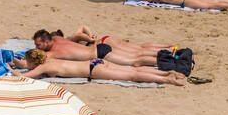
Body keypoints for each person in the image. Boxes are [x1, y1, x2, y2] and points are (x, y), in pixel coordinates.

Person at [21, 48, 188, 86]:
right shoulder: (50, 58)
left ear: (33, 62)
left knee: (132, 76)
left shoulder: (42, 67)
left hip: (94, 71)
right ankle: (167, 71)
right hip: (96, 62)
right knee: (133, 70)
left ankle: (167, 80)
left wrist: (10, 71)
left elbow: (27, 75)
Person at [32, 27, 173, 68]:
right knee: (138, 52)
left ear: (46, 42)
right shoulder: (58, 38)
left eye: (38, 45)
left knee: (135, 61)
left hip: (100, 54)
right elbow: (80, 30)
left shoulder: (53, 52)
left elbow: (34, 62)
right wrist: (89, 37)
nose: (36, 48)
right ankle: (169, 51)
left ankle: (169, 59)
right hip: (102, 47)